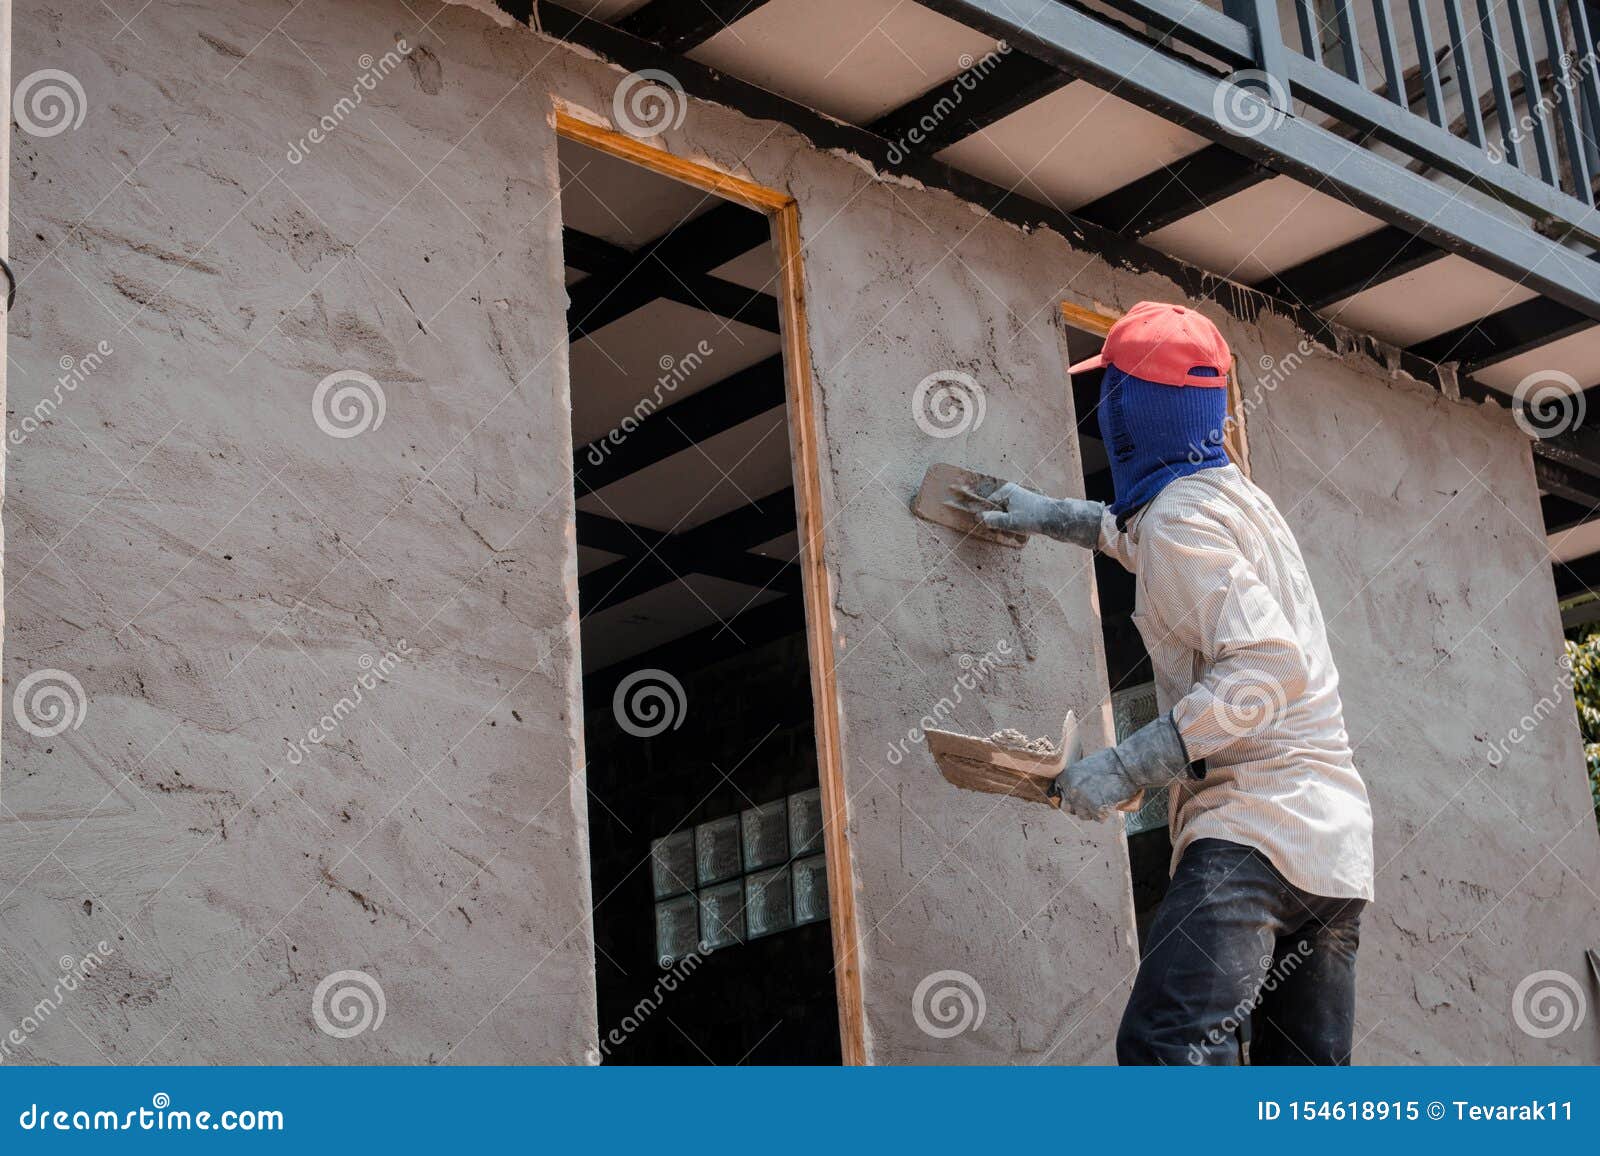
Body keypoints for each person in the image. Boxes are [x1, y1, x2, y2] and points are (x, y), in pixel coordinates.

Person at [966, 301, 1373, 1065]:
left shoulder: (1181, 520)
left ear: (1131, 410)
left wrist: (1124, 767)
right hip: (1335, 852)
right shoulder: (1229, 499)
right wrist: (1045, 513)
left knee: (1167, 1050)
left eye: (1109, 391)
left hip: (1258, 829)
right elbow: (1140, 536)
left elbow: (1270, 668)